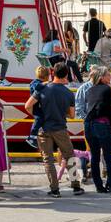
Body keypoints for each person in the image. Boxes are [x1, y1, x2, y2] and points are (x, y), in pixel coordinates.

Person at [27, 63, 80, 196]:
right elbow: (72, 115)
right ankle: (76, 185)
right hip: (60, 128)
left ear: (53, 73)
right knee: (69, 156)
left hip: (44, 128)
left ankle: (54, 188)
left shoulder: (43, 88)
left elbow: (27, 105)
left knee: (48, 159)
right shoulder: (68, 93)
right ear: (66, 75)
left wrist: (38, 114)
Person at [81, 66, 111, 194]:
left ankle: (99, 186)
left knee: (95, 157)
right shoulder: (110, 89)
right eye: (108, 75)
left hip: (88, 125)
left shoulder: (90, 90)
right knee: (108, 157)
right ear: (102, 77)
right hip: (102, 124)